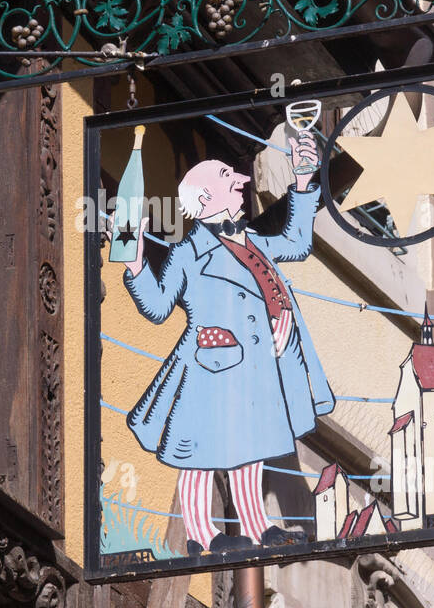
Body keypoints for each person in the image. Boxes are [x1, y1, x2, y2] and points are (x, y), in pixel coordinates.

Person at [122, 132, 334, 554]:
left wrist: (305, 181)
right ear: (204, 200)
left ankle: (258, 526)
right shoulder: (188, 253)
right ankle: (200, 534)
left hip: (259, 370)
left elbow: (297, 242)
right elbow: (159, 305)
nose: (240, 180)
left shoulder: (253, 241)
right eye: (227, 176)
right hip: (210, 368)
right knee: (199, 453)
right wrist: (135, 262)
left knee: (252, 449)